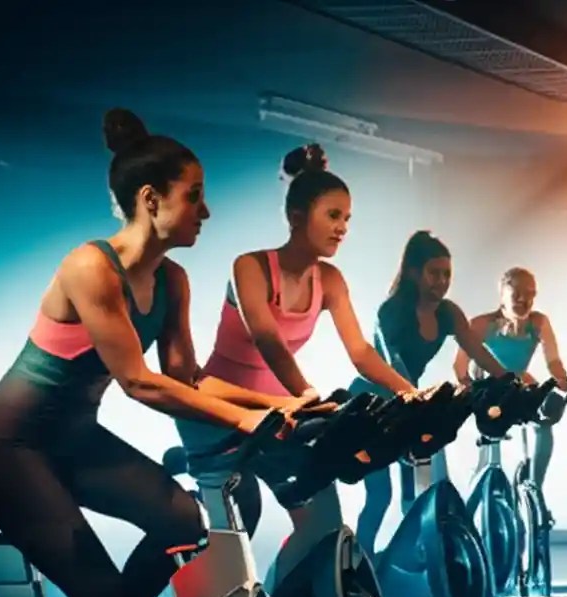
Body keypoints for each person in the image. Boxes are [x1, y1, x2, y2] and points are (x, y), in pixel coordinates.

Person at [0, 109, 291, 597]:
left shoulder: (173, 279)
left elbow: (185, 377)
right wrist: (242, 420)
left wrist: (280, 404)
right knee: (100, 596)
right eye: (195, 197)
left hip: (73, 440)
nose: (206, 213)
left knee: (187, 523)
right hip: (10, 445)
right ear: (151, 199)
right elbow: (138, 383)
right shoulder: (89, 268)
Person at [176, 143, 421, 536]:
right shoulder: (251, 266)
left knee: (323, 522)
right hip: (219, 405)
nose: (343, 227)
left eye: (347, 218)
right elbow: (268, 339)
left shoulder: (331, 281)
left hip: (281, 409)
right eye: (333, 215)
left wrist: (410, 394)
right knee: (241, 519)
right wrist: (308, 395)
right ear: (296, 217)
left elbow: (359, 351)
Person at [352, 231, 508, 559]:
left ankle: (420, 563)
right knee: (380, 496)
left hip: (409, 405)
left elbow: (477, 349)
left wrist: (509, 380)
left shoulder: (448, 313)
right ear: (413, 272)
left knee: (419, 492)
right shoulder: (392, 311)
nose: (442, 281)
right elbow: (390, 362)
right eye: (434, 273)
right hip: (374, 406)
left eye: (446, 274)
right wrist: (417, 395)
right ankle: (359, 566)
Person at [454, 267, 567, 486]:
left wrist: (564, 382)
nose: (523, 299)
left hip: (517, 384)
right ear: (502, 294)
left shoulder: (538, 323)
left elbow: (553, 361)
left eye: (529, 294)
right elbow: (460, 365)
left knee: (545, 417)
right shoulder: (481, 324)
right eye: (516, 292)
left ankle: (536, 488)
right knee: (485, 454)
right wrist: (467, 388)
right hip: (487, 389)